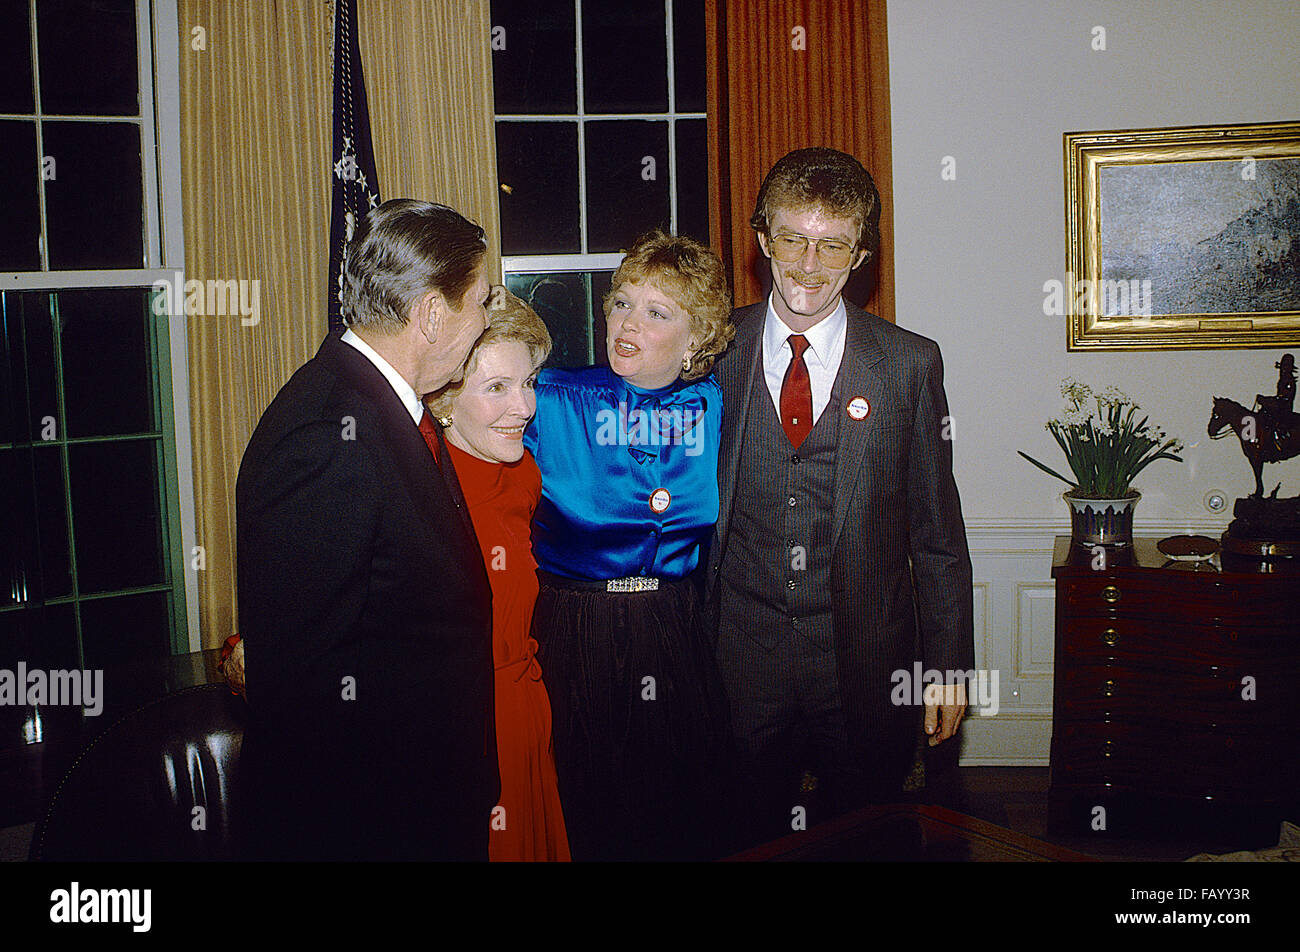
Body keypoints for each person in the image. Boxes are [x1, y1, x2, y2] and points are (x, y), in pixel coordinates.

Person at [705, 148, 975, 849]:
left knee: (869, 839)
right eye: (792, 239)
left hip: (864, 662)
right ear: (762, 239)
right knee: (743, 836)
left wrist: (947, 667)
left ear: (862, 254)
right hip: (739, 660)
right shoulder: (709, 354)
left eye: (833, 245)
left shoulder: (910, 364)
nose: (807, 264)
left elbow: (938, 536)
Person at [236, 199, 498, 861]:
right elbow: (302, 699)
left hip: (426, 804)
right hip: (375, 828)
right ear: (432, 314)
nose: (486, 321)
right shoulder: (329, 434)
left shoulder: (386, 407)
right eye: (482, 300)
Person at [523, 230, 735, 861]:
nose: (627, 321)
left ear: (696, 337)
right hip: (574, 629)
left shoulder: (715, 404)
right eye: (621, 302)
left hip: (674, 630)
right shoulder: (553, 400)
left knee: (679, 815)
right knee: (589, 813)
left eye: (656, 312)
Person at [425, 287, 570, 862]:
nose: (525, 406)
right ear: (442, 401)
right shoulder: (425, 491)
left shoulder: (522, 473)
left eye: (528, 381)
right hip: (465, 731)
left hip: (525, 713)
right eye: (496, 388)